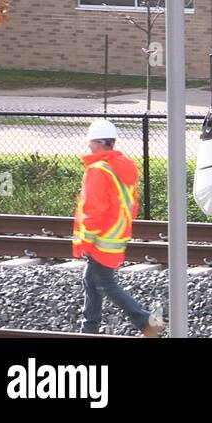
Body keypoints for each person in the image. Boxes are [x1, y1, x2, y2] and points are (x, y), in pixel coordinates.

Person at [73, 119, 164, 337]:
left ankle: (147, 323)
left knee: (105, 283)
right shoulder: (121, 168)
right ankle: (89, 329)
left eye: (90, 142)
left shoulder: (98, 170)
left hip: (101, 238)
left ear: (97, 143)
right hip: (116, 235)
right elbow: (132, 205)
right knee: (91, 280)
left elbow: (93, 208)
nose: (88, 146)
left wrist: (85, 240)